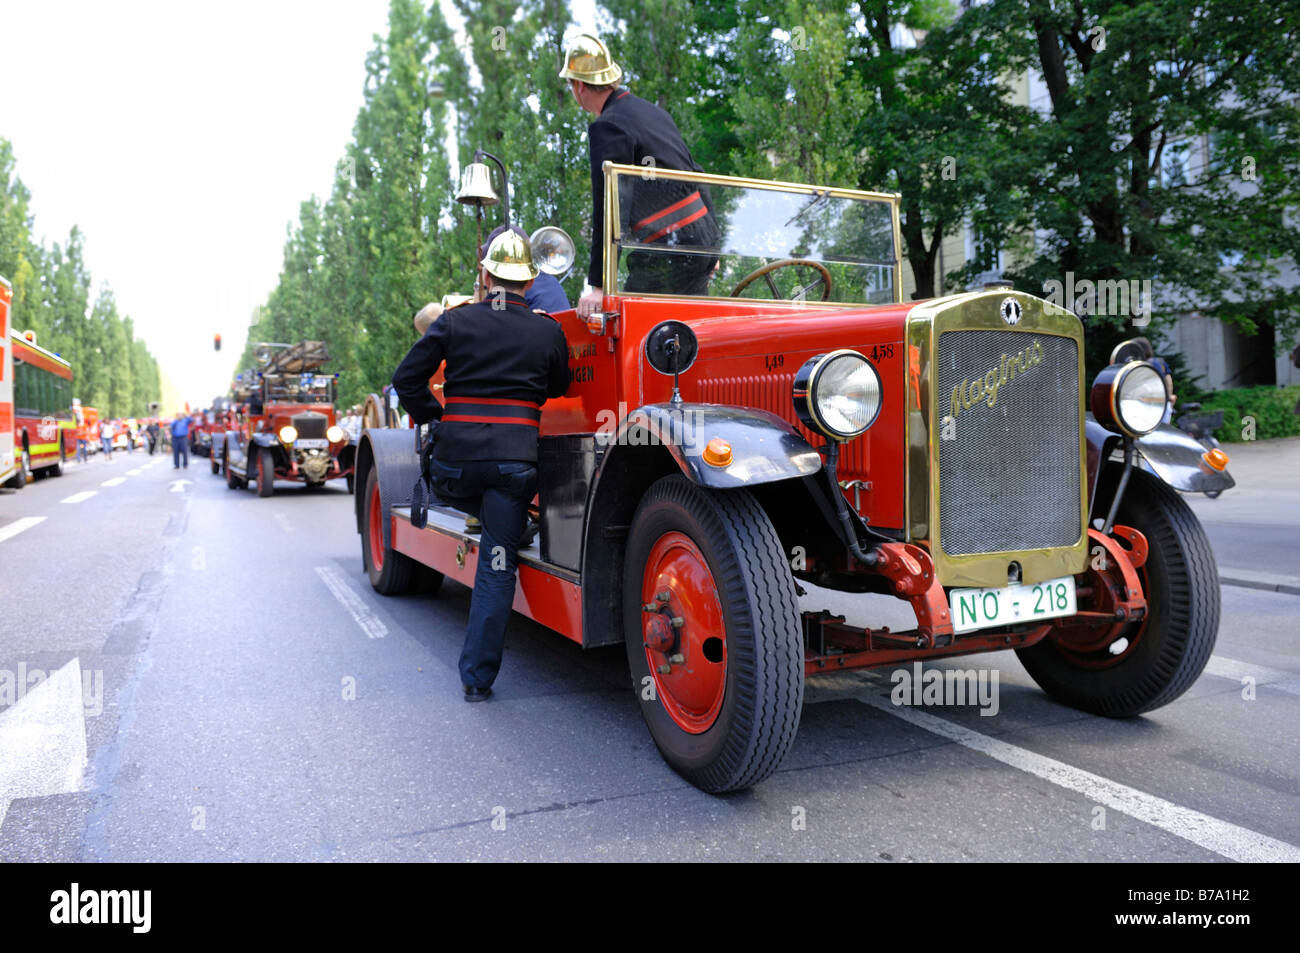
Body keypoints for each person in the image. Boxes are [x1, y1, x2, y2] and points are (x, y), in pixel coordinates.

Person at [392, 227, 569, 702]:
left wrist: (438, 416)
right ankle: (476, 679)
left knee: (471, 502)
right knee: (498, 562)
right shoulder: (547, 329)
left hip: (454, 469)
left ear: (486, 274)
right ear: (529, 283)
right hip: (513, 471)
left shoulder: (454, 322)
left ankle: (494, 519)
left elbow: (405, 380)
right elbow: (560, 386)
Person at [560, 33, 720, 318]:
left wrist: (598, 286)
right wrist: (712, 246)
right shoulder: (653, 113)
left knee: (634, 325)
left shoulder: (607, 126)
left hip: (670, 248)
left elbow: (608, 208)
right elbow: (697, 173)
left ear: (579, 86)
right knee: (687, 333)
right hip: (700, 240)